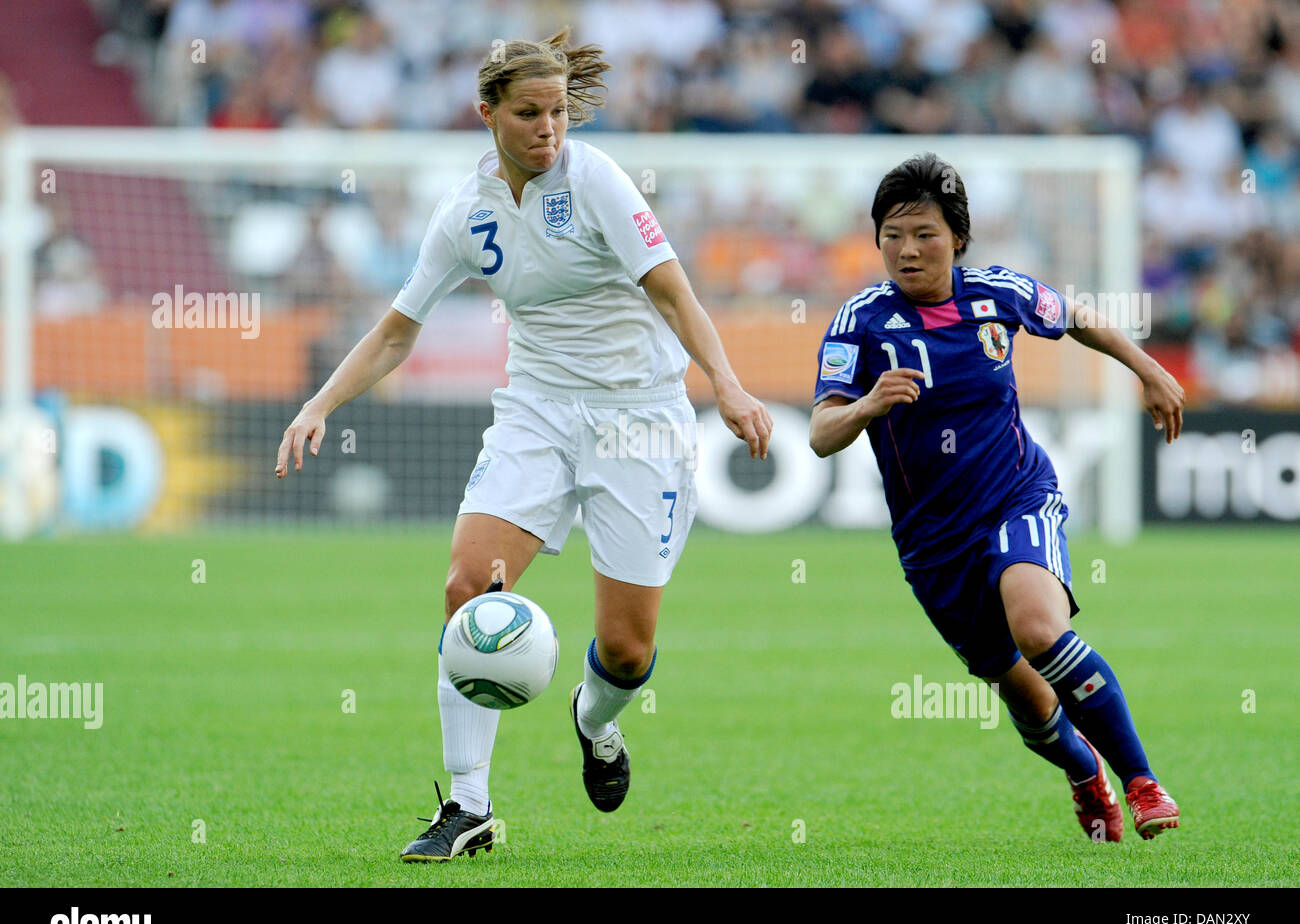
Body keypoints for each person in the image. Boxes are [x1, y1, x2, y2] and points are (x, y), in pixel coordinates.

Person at [274, 29, 772, 861]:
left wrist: (725, 380)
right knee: (466, 583)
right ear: (488, 115)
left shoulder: (599, 181)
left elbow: (675, 294)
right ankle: (468, 806)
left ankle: (595, 719)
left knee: (626, 647)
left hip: (638, 419)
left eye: (559, 113)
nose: (550, 129)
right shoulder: (465, 212)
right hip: (537, 410)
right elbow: (399, 332)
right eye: (530, 114)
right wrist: (320, 402)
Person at [809, 153, 1183, 842]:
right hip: (932, 545)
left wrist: (1147, 369)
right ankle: (1082, 771)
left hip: (1016, 495)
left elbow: (1077, 316)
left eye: (923, 232)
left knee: (1040, 628)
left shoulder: (997, 294)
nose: (907, 249)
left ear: (957, 237)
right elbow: (821, 435)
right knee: (1032, 702)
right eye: (892, 233)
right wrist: (867, 404)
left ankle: (1141, 780)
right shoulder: (860, 320)